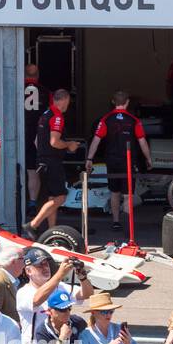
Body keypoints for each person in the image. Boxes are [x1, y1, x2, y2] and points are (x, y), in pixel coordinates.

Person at [85, 91, 153, 233]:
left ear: (112, 102)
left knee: (114, 192)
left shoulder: (105, 119)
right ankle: (128, 224)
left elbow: (96, 140)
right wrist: (148, 159)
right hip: (128, 161)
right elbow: (142, 142)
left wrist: (89, 159)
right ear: (127, 102)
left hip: (112, 160)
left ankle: (116, 222)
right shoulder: (134, 120)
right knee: (128, 194)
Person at [26, 88, 79, 237]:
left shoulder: (44, 115)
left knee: (51, 198)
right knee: (60, 197)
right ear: (64, 100)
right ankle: (33, 224)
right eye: (68, 101)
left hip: (42, 161)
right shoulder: (57, 116)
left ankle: (51, 231)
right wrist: (69, 145)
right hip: (52, 162)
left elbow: (36, 141)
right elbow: (54, 142)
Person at [23, 63, 47, 207]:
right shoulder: (45, 91)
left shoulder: (17, 89)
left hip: (18, 134)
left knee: (13, 169)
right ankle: (32, 203)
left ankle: (12, 201)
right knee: (33, 172)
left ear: (24, 75)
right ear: (37, 75)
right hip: (37, 135)